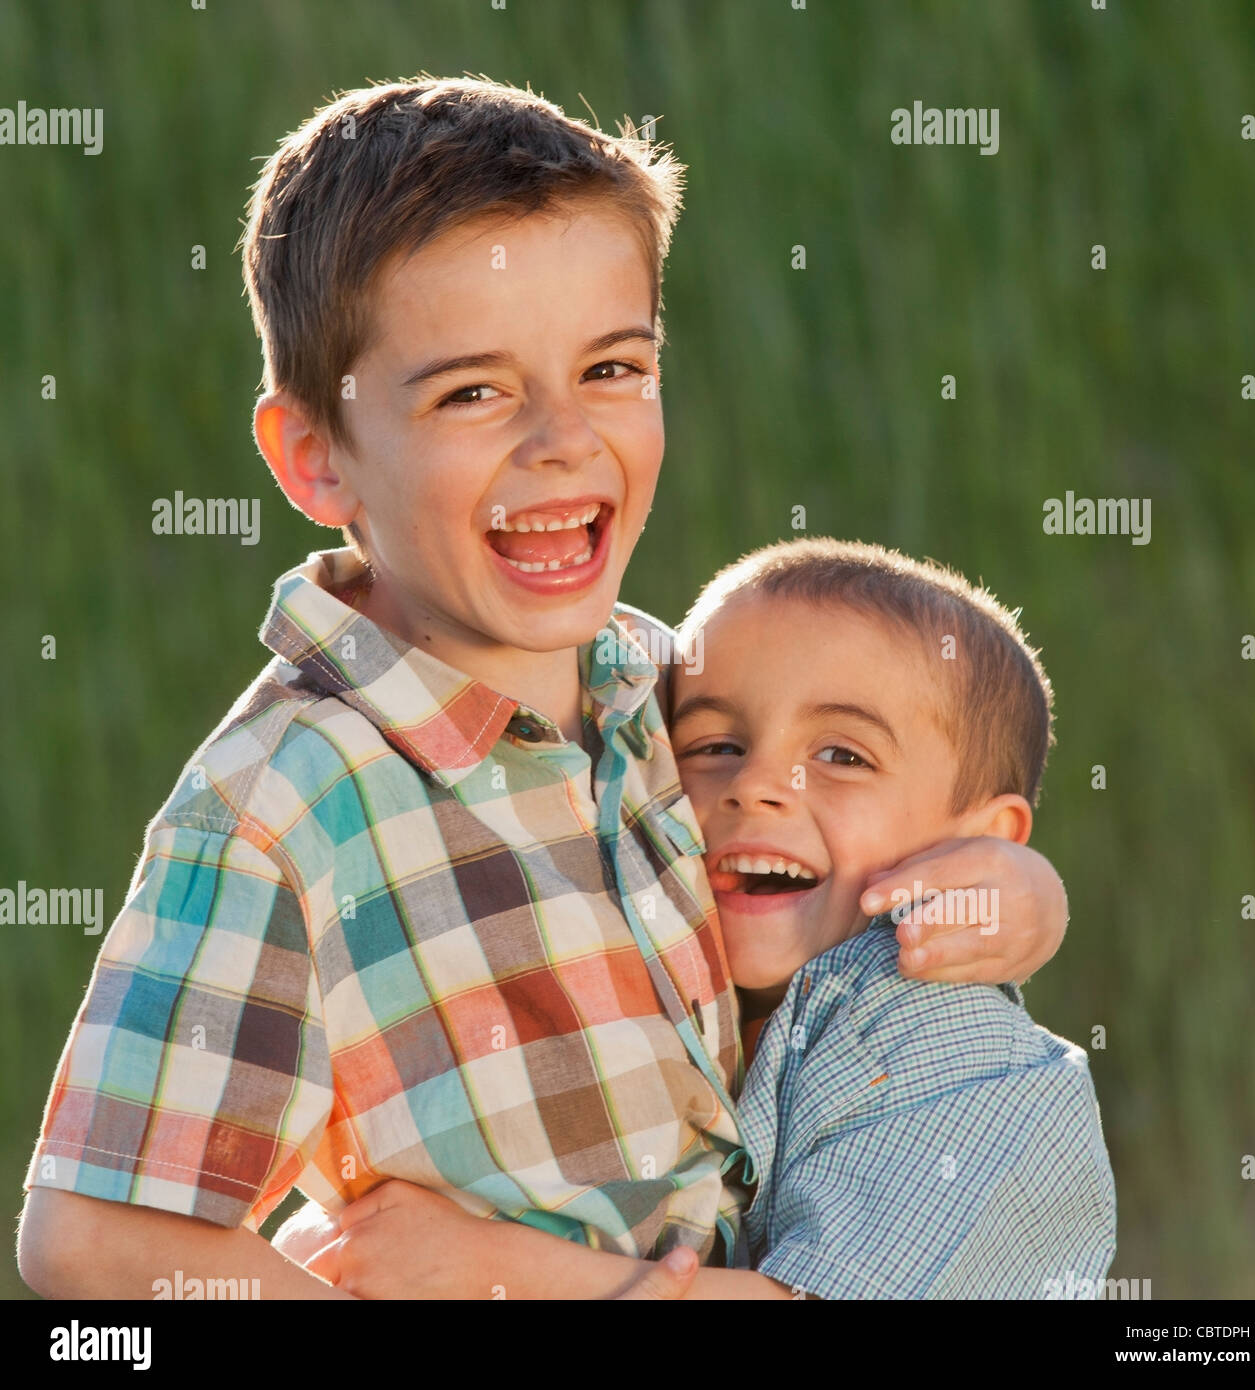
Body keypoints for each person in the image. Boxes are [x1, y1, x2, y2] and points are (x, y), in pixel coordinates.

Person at [17, 78, 1069, 1300]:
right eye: (473, 391)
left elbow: (821, 891)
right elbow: (94, 1242)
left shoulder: (665, 698)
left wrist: (1024, 896)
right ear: (317, 457)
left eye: (612, 368)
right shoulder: (283, 809)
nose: (563, 439)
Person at [278, 540, 1113, 1299]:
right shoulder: (666, 978)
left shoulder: (974, 1060)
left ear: (979, 844)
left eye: (842, 756)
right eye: (715, 745)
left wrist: (476, 1268)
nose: (755, 785)